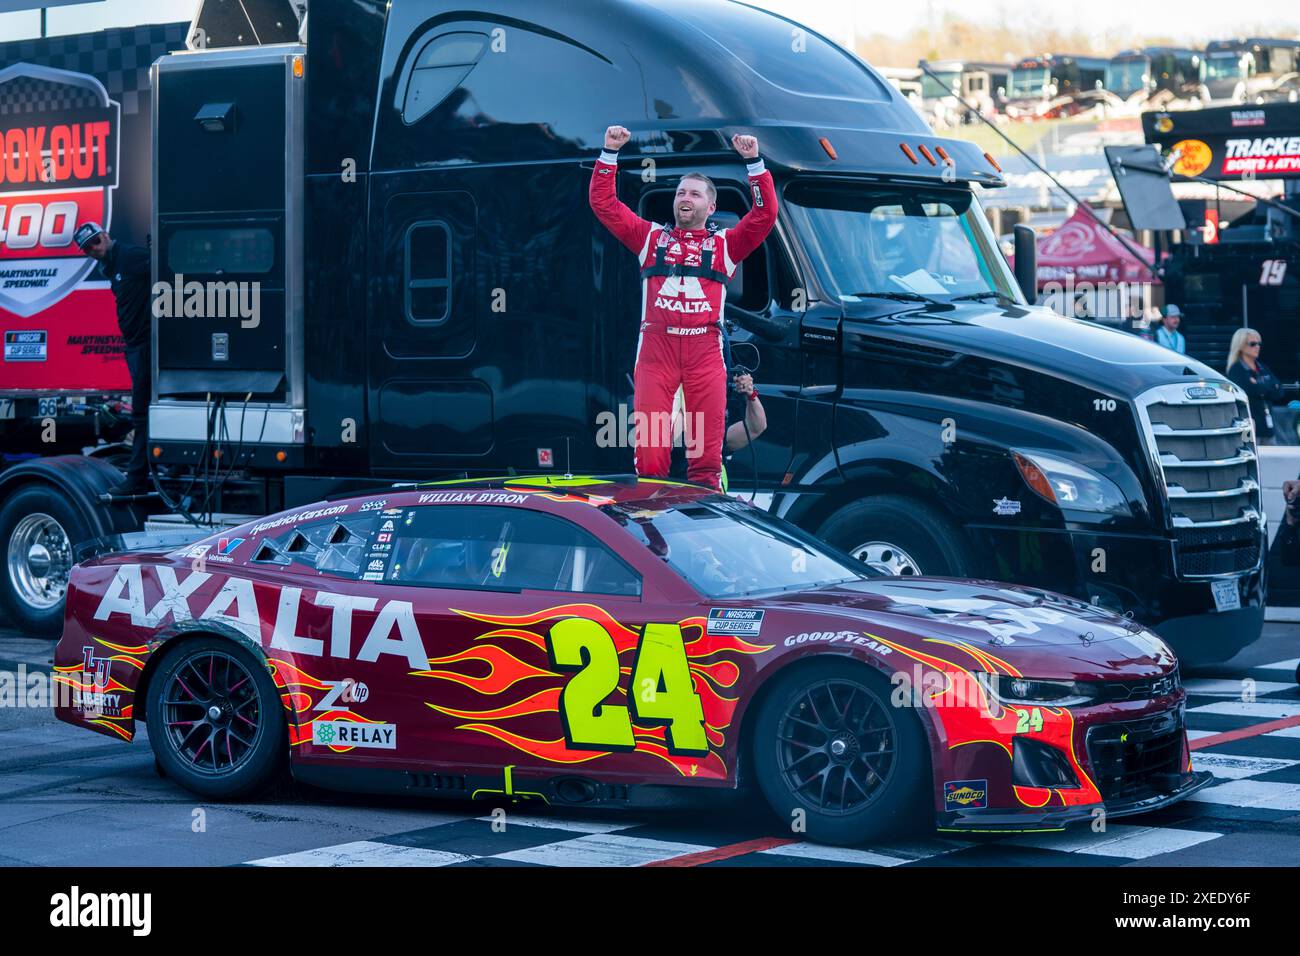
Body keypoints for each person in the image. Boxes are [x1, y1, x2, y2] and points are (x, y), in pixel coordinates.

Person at [590, 125, 777, 490]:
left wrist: (754, 162)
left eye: (693, 193)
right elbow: (605, 205)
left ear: (711, 206)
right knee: (650, 458)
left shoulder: (725, 245)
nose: (683, 198)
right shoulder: (650, 237)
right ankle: (650, 538)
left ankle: (702, 534)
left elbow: (764, 215)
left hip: (704, 355)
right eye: (679, 193)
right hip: (656, 357)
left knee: (706, 461)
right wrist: (609, 153)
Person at [75, 222, 152, 495]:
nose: (93, 249)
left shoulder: (130, 256)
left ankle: (137, 479)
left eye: (95, 242)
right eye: (87, 248)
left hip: (147, 346)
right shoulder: (109, 265)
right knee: (143, 413)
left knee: (142, 414)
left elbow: (168, 270)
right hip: (135, 346)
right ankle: (145, 474)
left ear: (106, 235)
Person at [1225, 327, 1284, 444]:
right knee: (1248, 453)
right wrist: (1267, 386)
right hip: (1246, 425)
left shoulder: (1262, 368)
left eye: (1258, 343)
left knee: (1272, 458)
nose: (1257, 347)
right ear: (1241, 346)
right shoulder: (1235, 370)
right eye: (1252, 344)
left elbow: (1279, 391)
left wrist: (1259, 386)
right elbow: (1249, 391)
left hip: (1267, 426)